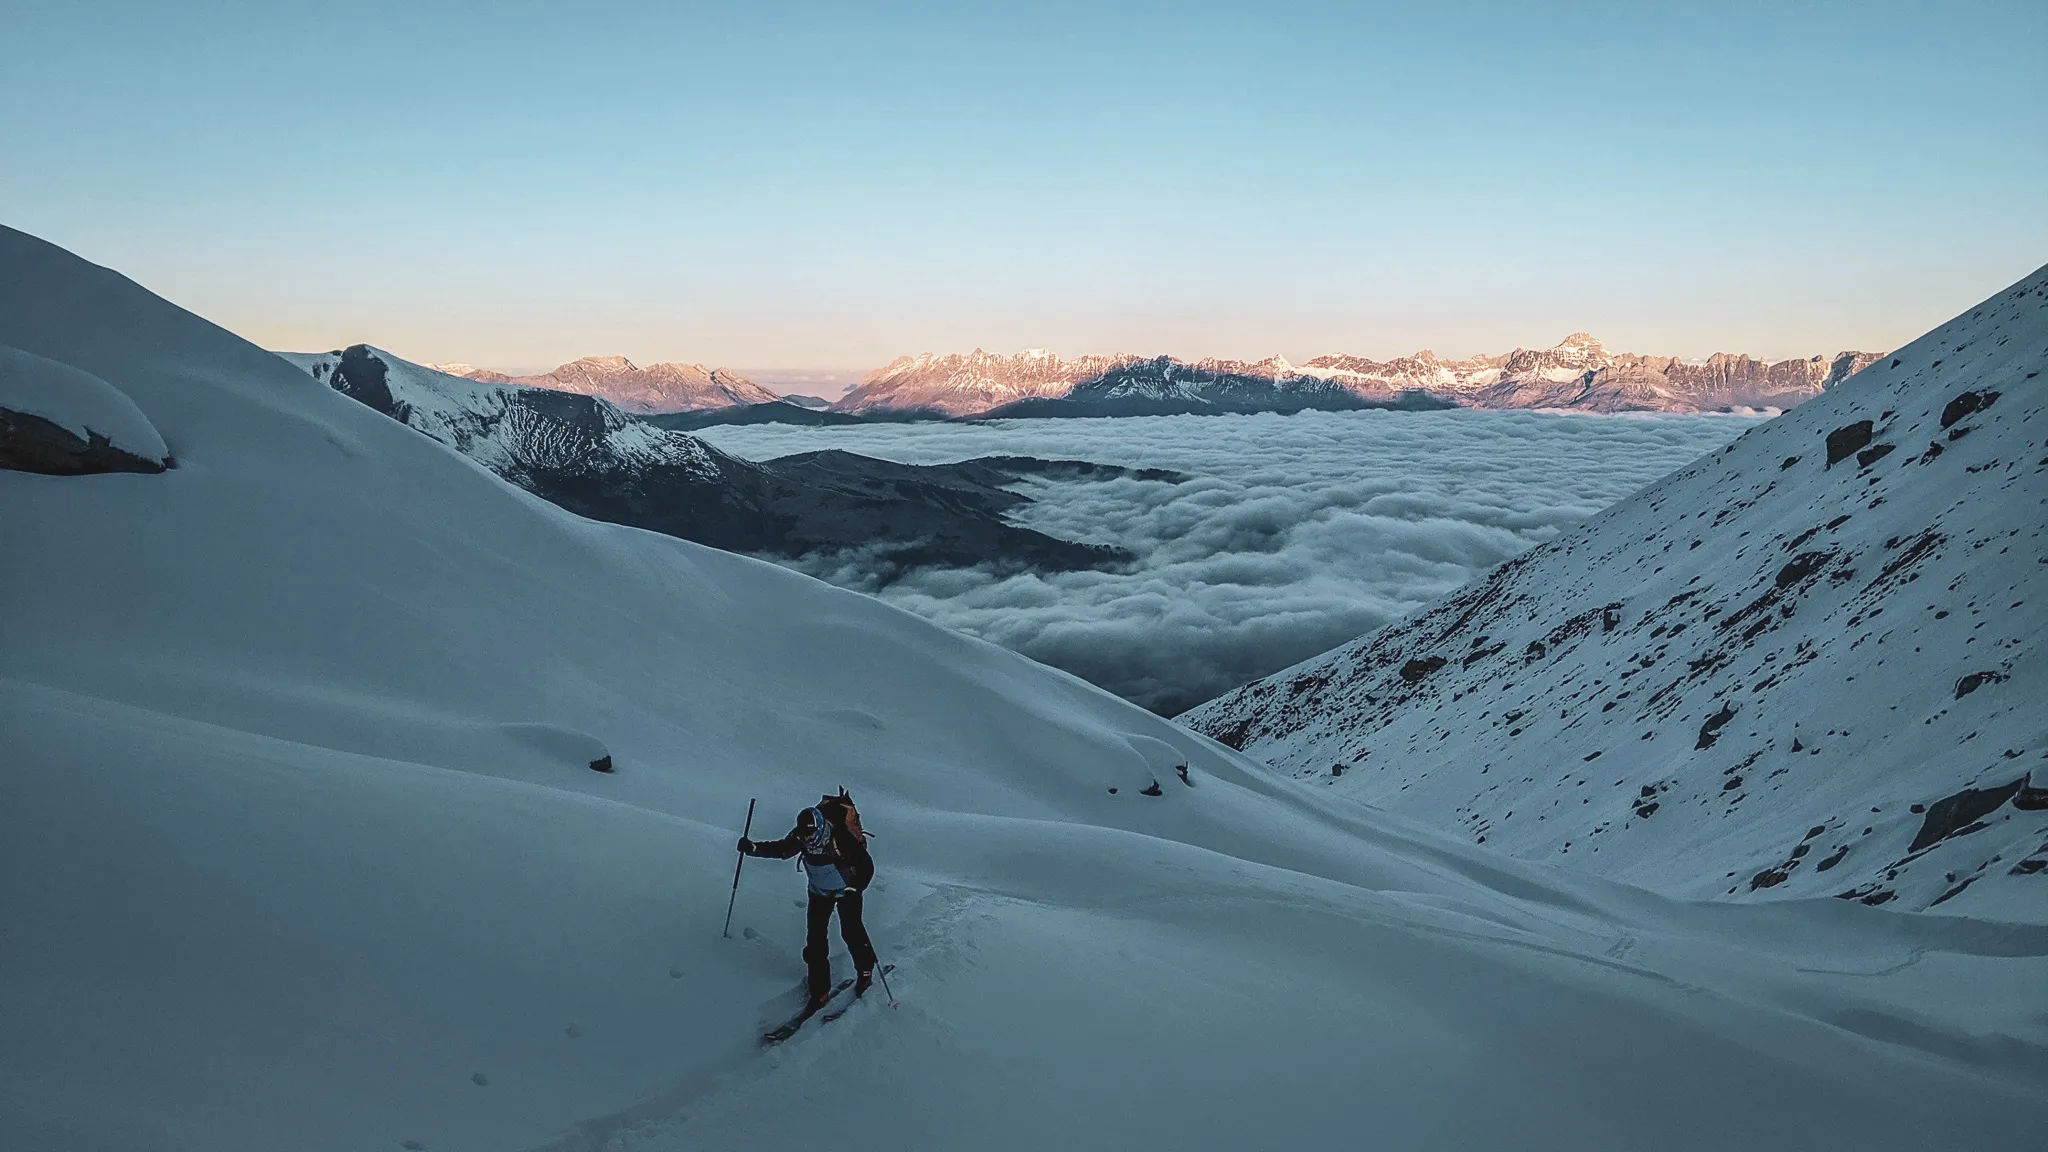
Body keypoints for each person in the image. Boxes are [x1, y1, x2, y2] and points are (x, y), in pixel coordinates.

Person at [739, 788, 878, 1008]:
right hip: (819, 890)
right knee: (815, 941)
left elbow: (866, 866)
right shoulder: (802, 835)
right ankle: (819, 990)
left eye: (811, 836)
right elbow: (782, 850)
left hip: (847, 889)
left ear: (820, 828)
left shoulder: (840, 837)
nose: (808, 841)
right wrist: (753, 848)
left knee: (851, 931)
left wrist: (856, 887)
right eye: (804, 836)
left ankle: (865, 970)